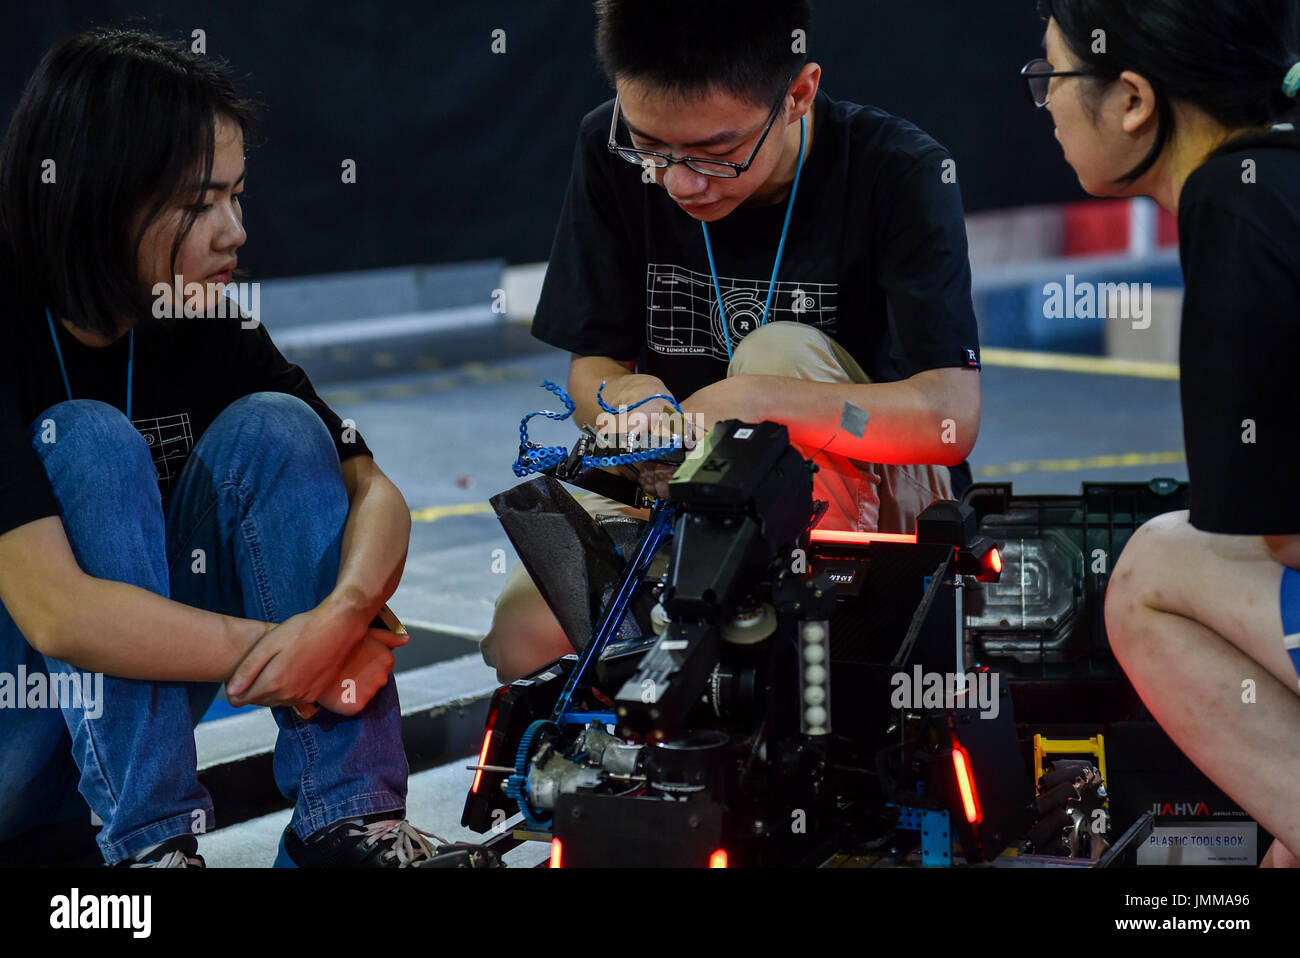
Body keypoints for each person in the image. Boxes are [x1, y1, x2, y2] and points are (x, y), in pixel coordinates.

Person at [0, 29, 438, 867]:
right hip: (16, 742)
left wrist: (341, 615)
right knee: (89, 440)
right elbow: (56, 610)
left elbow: (371, 490)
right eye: (200, 204)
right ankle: (156, 847)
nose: (235, 230)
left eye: (237, 196)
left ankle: (347, 823)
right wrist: (303, 651)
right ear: (100, 197)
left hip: (116, 729)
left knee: (277, 426)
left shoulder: (196, 308)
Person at [481, 0, 983, 683]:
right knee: (513, 640)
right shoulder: (608, 151)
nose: (681, 183)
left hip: (867, 497)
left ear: (799, 94)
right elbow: (591, 369)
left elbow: (947, 419)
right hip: (682, 495)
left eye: (717, 154)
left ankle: (804, 661)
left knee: (777, 352)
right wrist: (624, 400)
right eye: (653, 149)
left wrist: (752, 402)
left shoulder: (897, 172)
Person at [1024, 0, 1300, 867]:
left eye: (1051, 79)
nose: (1047, 106)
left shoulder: (1235, 210)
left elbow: (1289, 538)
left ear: (1134, 99)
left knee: (1150, 576)